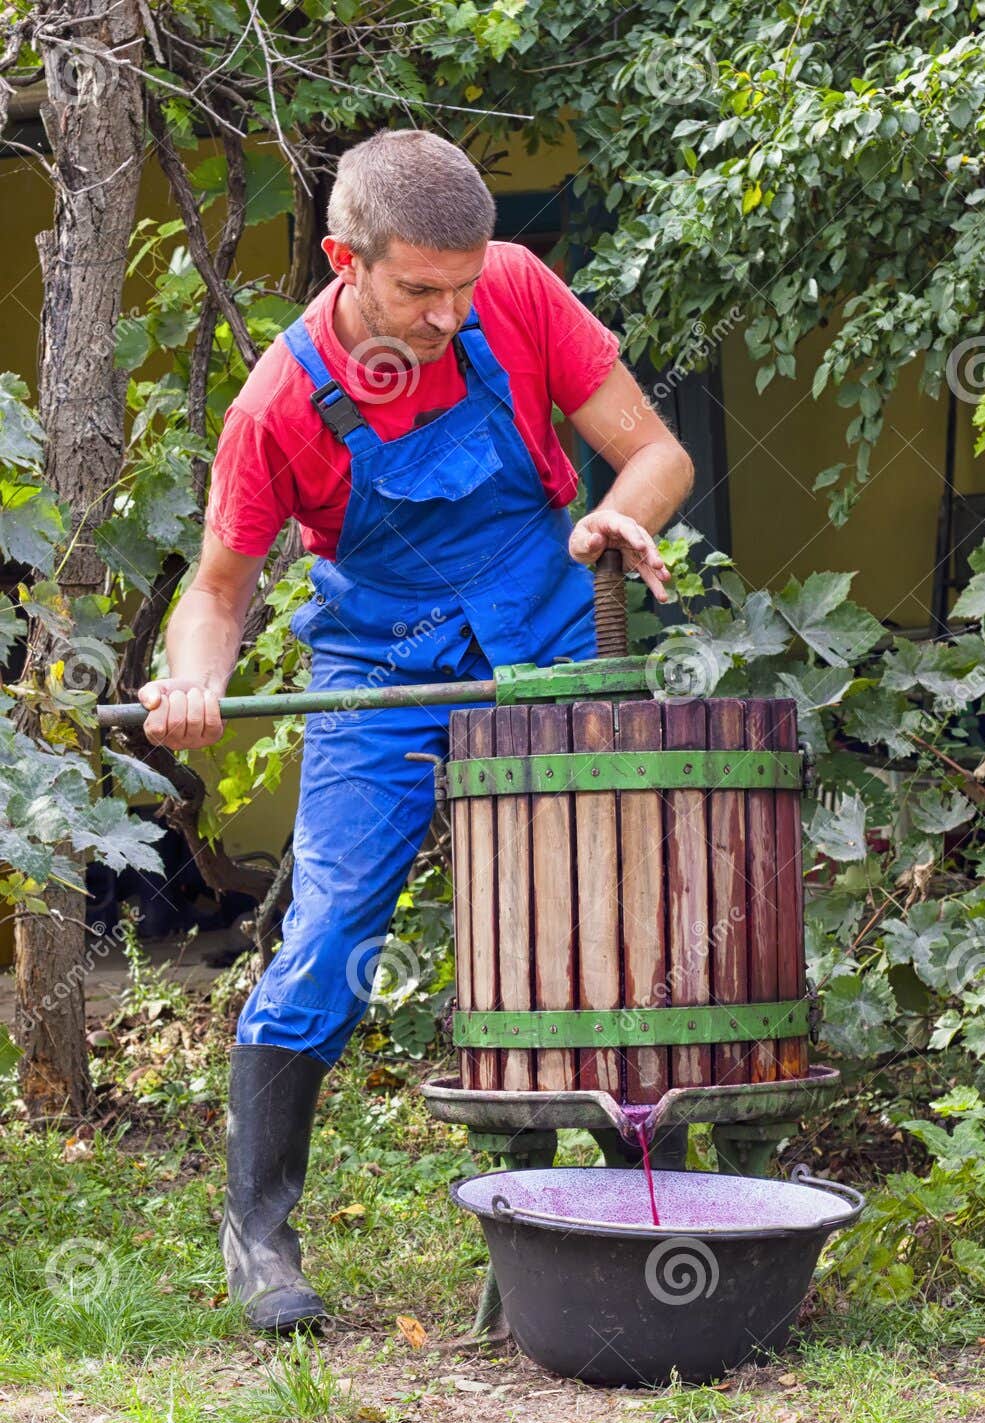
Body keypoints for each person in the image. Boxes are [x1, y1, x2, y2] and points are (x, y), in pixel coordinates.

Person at [141, 128, 694, 1333]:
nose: (451, 312)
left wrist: (613, 518)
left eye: (465, 282)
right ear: (346, 259)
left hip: (545, 631)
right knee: (334, 928)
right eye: (418, 289)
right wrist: (191, 683)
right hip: (378, 666)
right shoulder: (278, 402)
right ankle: (260, 1232)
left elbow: (653, 452)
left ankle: (611, 1206)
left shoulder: (514, 290)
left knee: (595, 915)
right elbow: (219, 592)